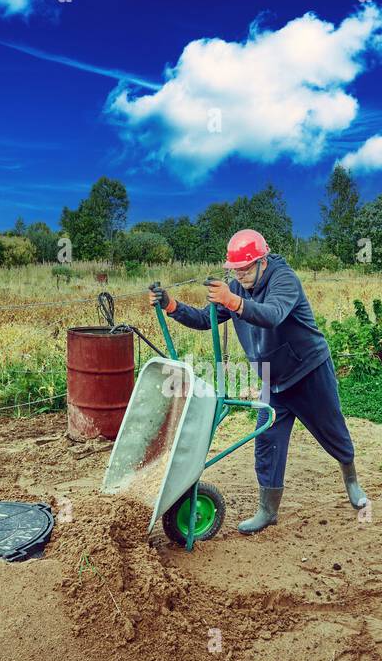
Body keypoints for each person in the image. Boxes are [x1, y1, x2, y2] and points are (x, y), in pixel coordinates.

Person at [148, 228, 368, 534]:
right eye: (235, 270)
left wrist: (233, 301)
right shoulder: (237, 286)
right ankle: (267, 511)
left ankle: (352, 482)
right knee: (267, 443)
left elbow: (273, 314)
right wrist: (172, 306)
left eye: (245, 268)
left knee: (332, 430)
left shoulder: (284, 279)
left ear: (262, 261)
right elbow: (203, 320)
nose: (240, 276)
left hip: (308, 372)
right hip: (273, 380)